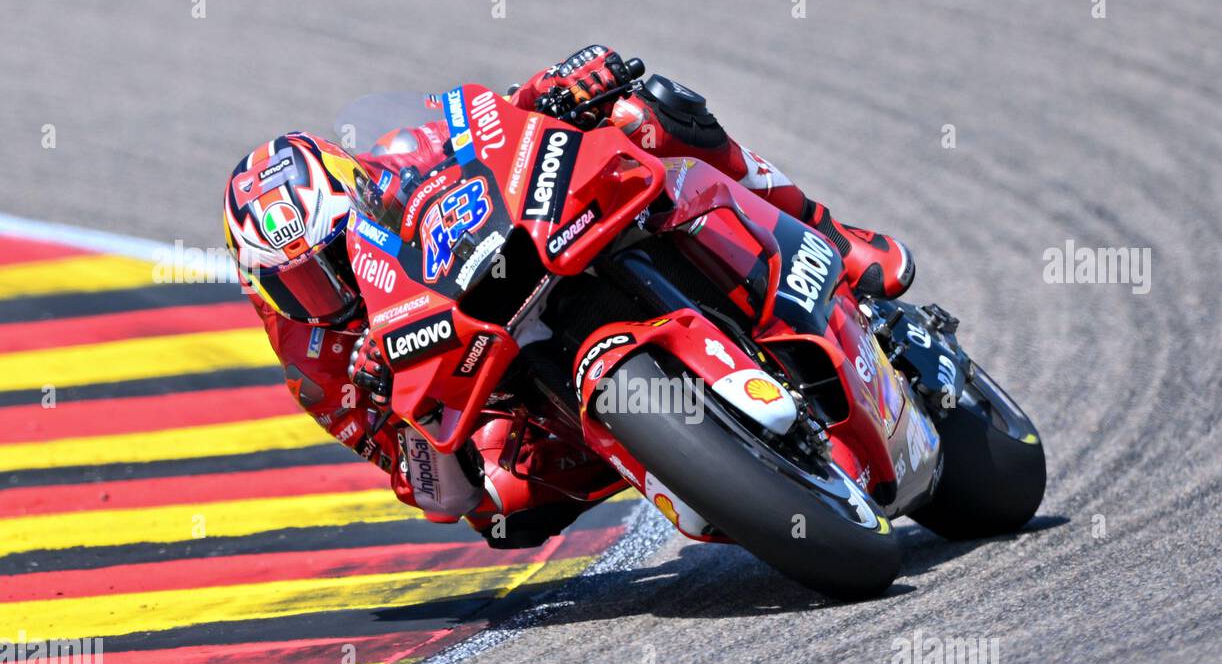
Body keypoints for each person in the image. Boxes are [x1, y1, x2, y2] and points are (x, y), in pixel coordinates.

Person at [222, 45, 914, 545]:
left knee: (646, 113)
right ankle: (698, 468)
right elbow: (436, 495)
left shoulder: (400, 153)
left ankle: (831, 234)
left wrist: (554, 90)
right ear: (265, 291)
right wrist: (401, 422)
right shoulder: (312, 363)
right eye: (302, 284)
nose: (331, 287)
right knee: (502, 507)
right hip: (492, 382)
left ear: (356, 191)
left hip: (533, 244)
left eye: (332, 257)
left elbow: (488, 125)